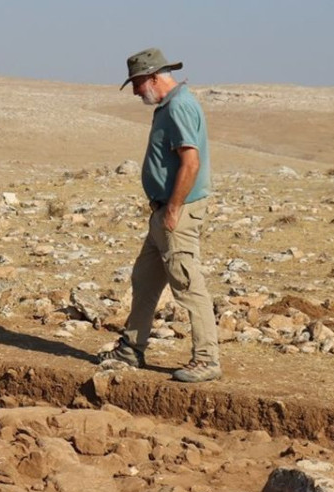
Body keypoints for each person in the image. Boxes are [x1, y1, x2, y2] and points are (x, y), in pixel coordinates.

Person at [98, 48, 222, 383]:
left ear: (154, 76)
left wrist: (173, 209)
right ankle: (131, 348)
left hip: (175, 212)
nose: (137, 91)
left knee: (186, 282)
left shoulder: (179, 106)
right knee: (145, 278)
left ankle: (207, 359)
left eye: (138, 83)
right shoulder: (168, 106)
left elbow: (190, 162)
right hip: (164, 211)